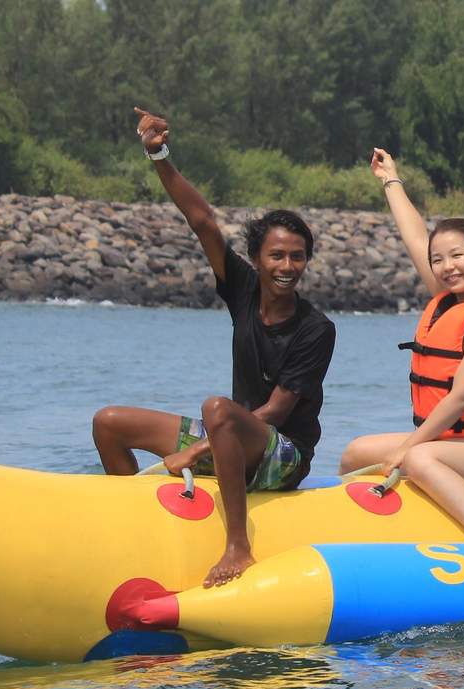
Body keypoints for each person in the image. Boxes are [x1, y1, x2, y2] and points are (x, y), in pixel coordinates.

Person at [91, 107, 336, 587]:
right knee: (109, 424)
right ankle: (134, 526)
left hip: (281, 452)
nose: (287, 266)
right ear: (256, 259)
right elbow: (202, 220)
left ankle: (238, 546)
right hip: (227, 434)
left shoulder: (316, 328)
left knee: (218, 409)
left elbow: (276, 412)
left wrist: (197, 447)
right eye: (277, 255)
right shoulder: (242, 290)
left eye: (297, 257)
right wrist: (158, 153)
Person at [337, 149, 464, 542]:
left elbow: (461, 398)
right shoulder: (447, 301)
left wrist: (409, 446)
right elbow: (416, 236)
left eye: (457, 256)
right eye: (439, 260)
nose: (447, 266)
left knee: (416, 456)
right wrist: (390, 180)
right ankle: (367, 526)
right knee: (355, 452)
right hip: (448, 443)